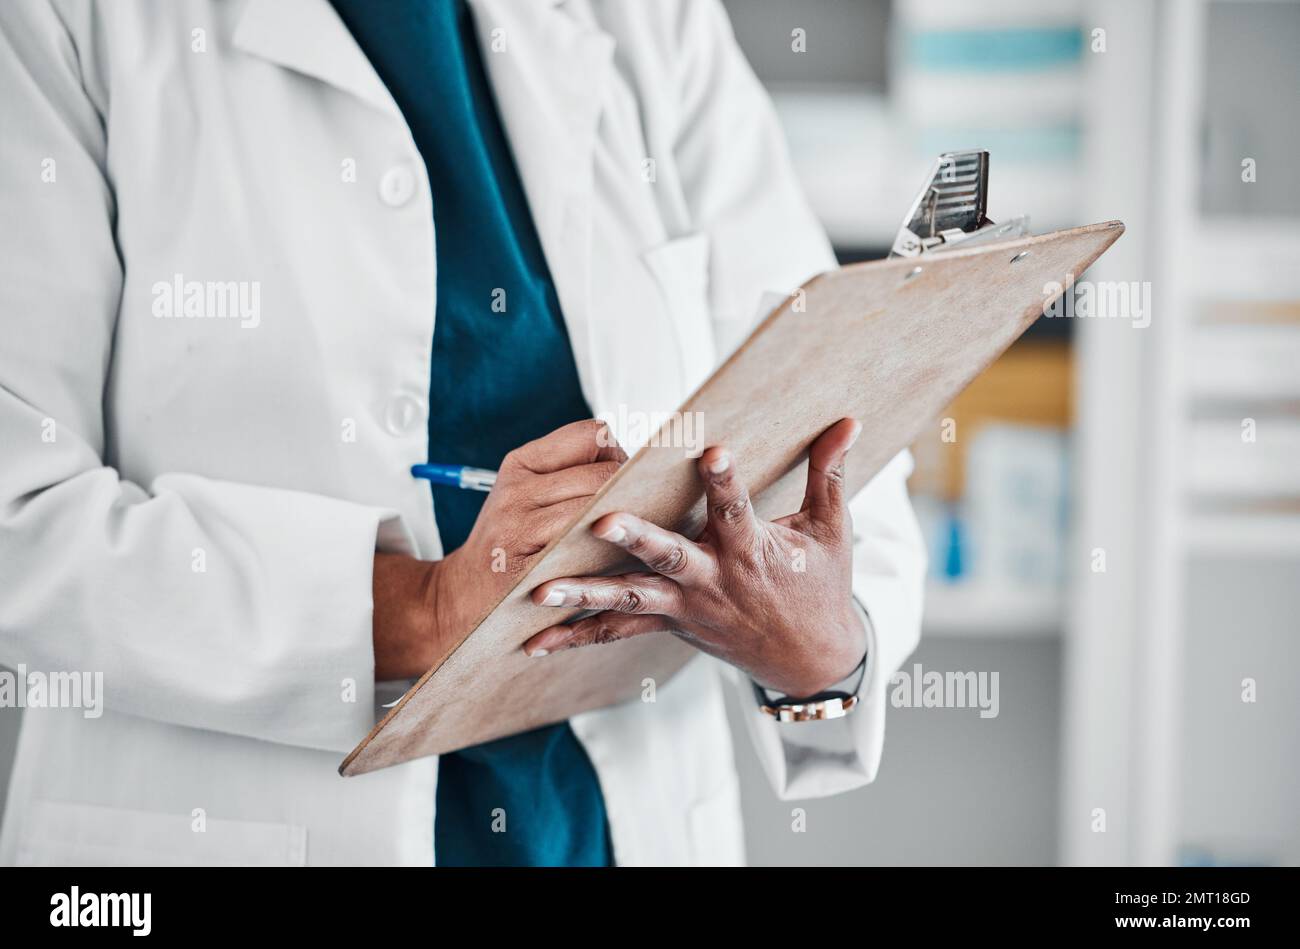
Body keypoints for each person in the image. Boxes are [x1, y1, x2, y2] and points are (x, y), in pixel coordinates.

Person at [0, 0, 925, 866]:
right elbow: (20, 517)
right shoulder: (70, 22)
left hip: (606, 819)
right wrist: (424, 606)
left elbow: (829, 402)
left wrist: (821, 648)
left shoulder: (649, 18)